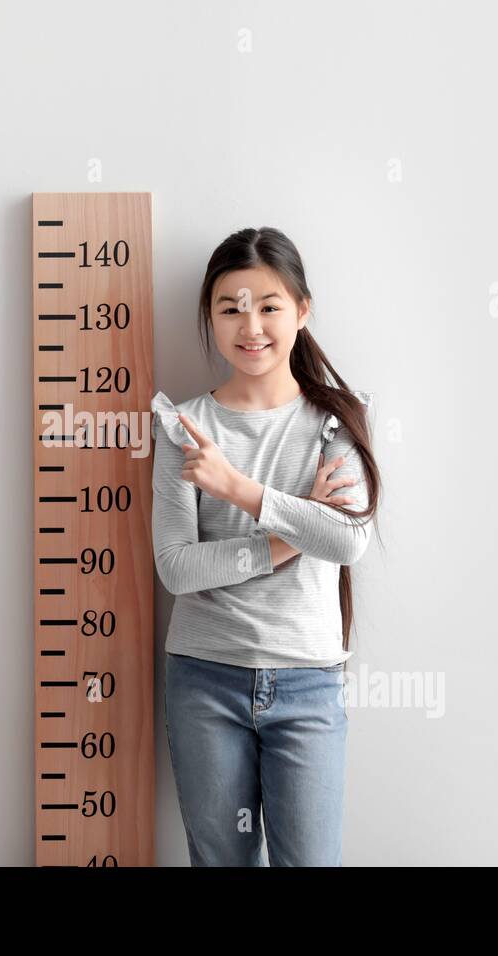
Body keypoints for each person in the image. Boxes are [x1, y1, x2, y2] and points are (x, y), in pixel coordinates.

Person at [153, 226, 383, 866]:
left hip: (309, 682)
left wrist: (238, 489)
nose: (249, 325)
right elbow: (176, 569)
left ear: (302, 311)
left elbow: (346, 540)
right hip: (204, 681)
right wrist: (290, 532)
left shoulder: (337, 419)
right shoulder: (183, 426)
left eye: (269, 305)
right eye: (230, 308)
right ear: (210, 317)